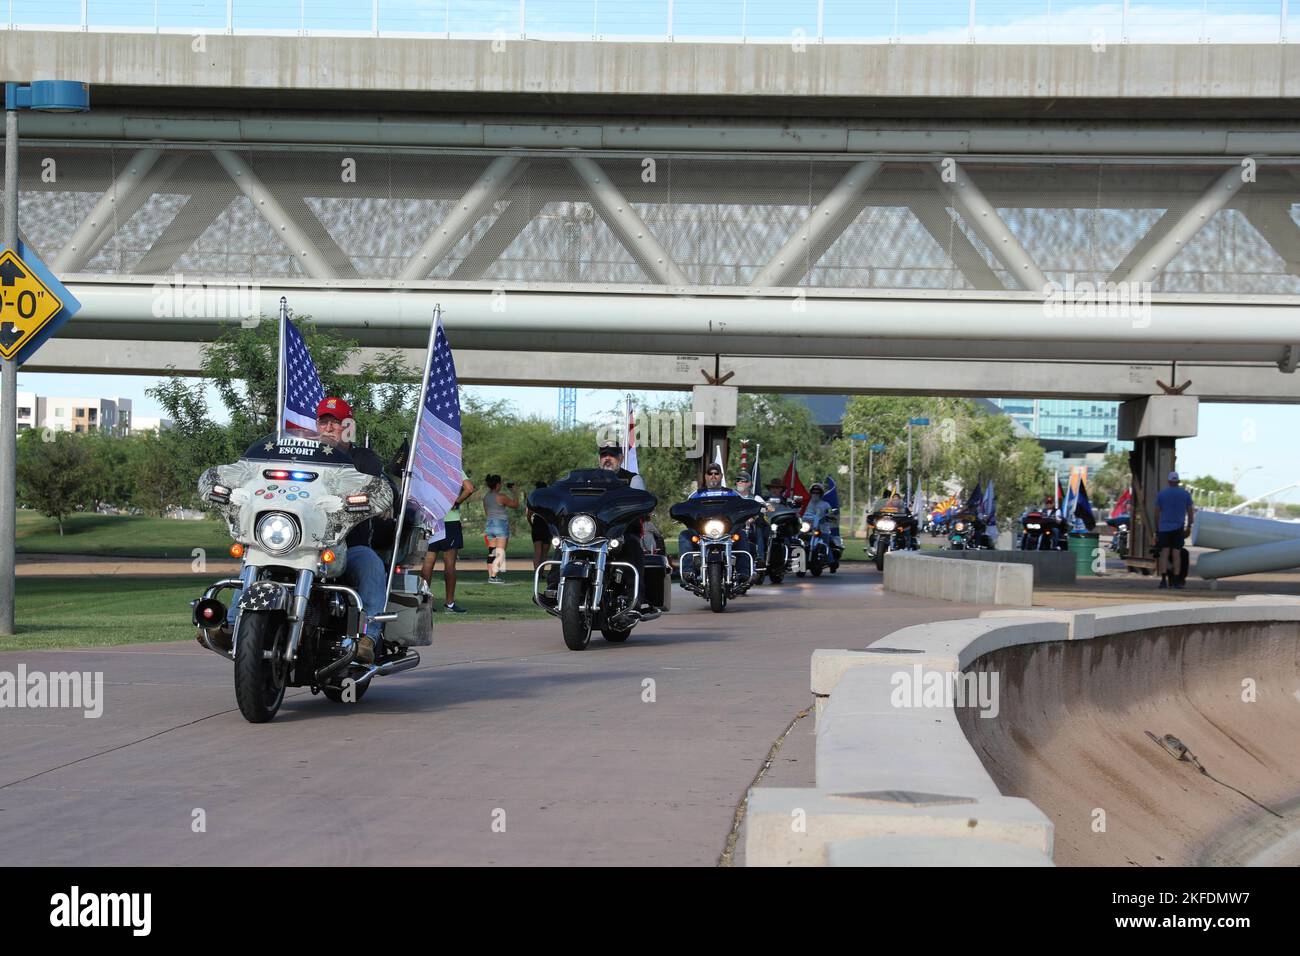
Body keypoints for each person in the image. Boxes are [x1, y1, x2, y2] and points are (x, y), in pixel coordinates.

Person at [315, 397, 395, 664]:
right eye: (323, 421)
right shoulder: (303, 456)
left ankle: (368, 638)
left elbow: (383, 486)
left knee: (372, 564)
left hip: (349, 546)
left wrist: (385, 499)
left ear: (347, 426)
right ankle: (231, 626)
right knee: (256, 556)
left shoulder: (362, 458)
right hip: (302, 544)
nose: (328, 428)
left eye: (335, 423)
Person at [420, 469, 474, 613]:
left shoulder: (427, 466)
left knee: (428, 563)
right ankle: (449, 603)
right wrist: (456, 501)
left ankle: (424, 602)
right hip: (450, 521)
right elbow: (469, 488)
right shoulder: (454, 467)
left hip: (431, 519)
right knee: (449, 565)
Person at [1154, 470, 1196, 589]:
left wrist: (1157, 528)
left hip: (1164, 528)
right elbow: (1190, 511)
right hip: (1178, 528)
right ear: (1178, 481)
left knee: (1164, 554)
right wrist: (1189, 526)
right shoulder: (1185, 494)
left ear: (1168, 481)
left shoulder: (1161, 494)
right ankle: (1177, 581)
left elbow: (1156, 513)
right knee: (1177, 554)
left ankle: (1163, 581)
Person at [483, 475, 520, 584]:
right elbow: (515, 505)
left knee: (491, 552)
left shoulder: (486, 497)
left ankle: (490, 576)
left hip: (490, 525)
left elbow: (487, 512)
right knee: (500, 552)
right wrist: (515, 492)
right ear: (497, 484)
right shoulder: (501, 496)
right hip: (500, 525)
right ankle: (494, 577)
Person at [528, 481, 550, 569]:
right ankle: (541, 572)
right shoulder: (549, 500)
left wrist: (531, 523)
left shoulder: (533, 499)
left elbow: (529, 514)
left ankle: (536, 572)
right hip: (546, 525)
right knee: (544, 552)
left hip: (537, 524)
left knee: (537, 552)